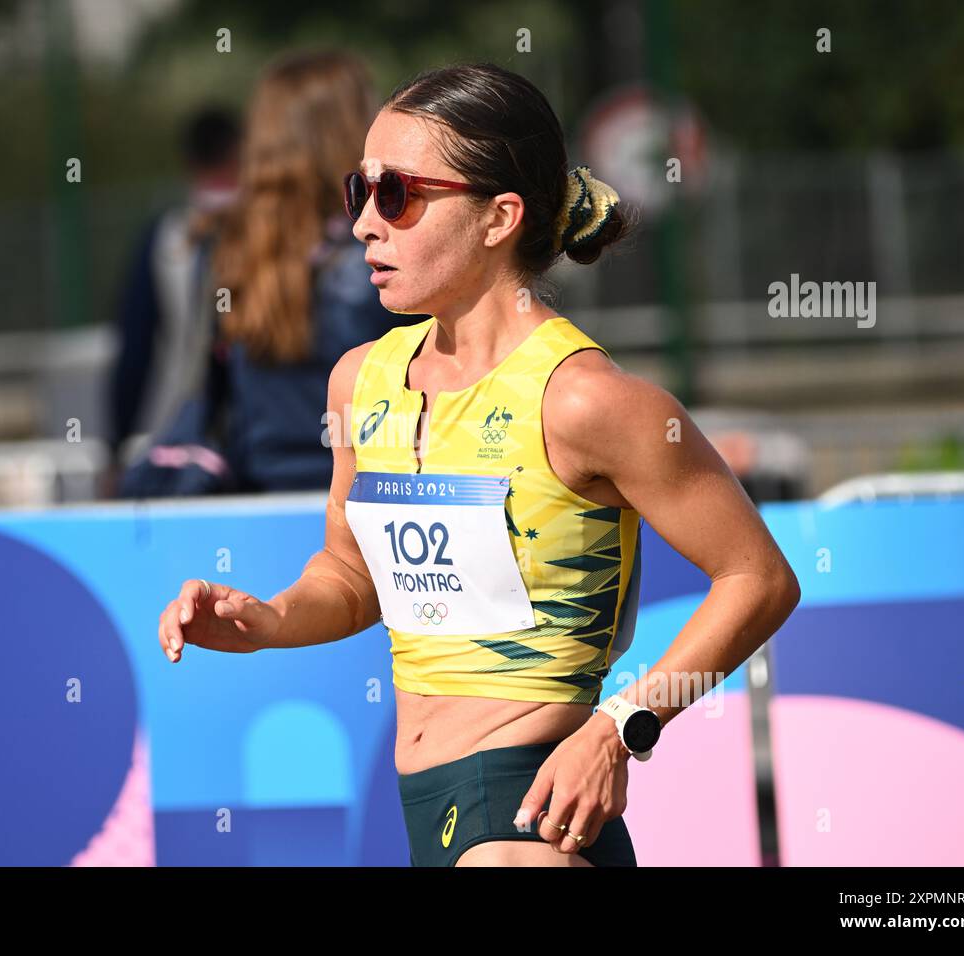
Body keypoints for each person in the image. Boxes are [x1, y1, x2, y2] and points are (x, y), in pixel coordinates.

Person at [157, 63, 800, 867]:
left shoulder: (585, 401)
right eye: (359, 191)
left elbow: (760, 579)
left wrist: (623, 727)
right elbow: (353, 577)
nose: (363, 225)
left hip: (527, 814)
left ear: (499, 216)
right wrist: (265, 622)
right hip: (427, 807)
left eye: (397, 194)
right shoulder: (362, 379)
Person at [120, 51, 421, 497]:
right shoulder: (384, 240)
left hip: (257, 498)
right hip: (372, 500)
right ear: (351, 125)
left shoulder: (223, 244)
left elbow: (200, 380)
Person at [106, 106, 241, 488]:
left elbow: (134, 351)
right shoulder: (275, 228)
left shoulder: (165, 237)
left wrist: (116, 446)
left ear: (188, 162)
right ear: (241, 154)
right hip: (253, 439)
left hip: (179, 438)